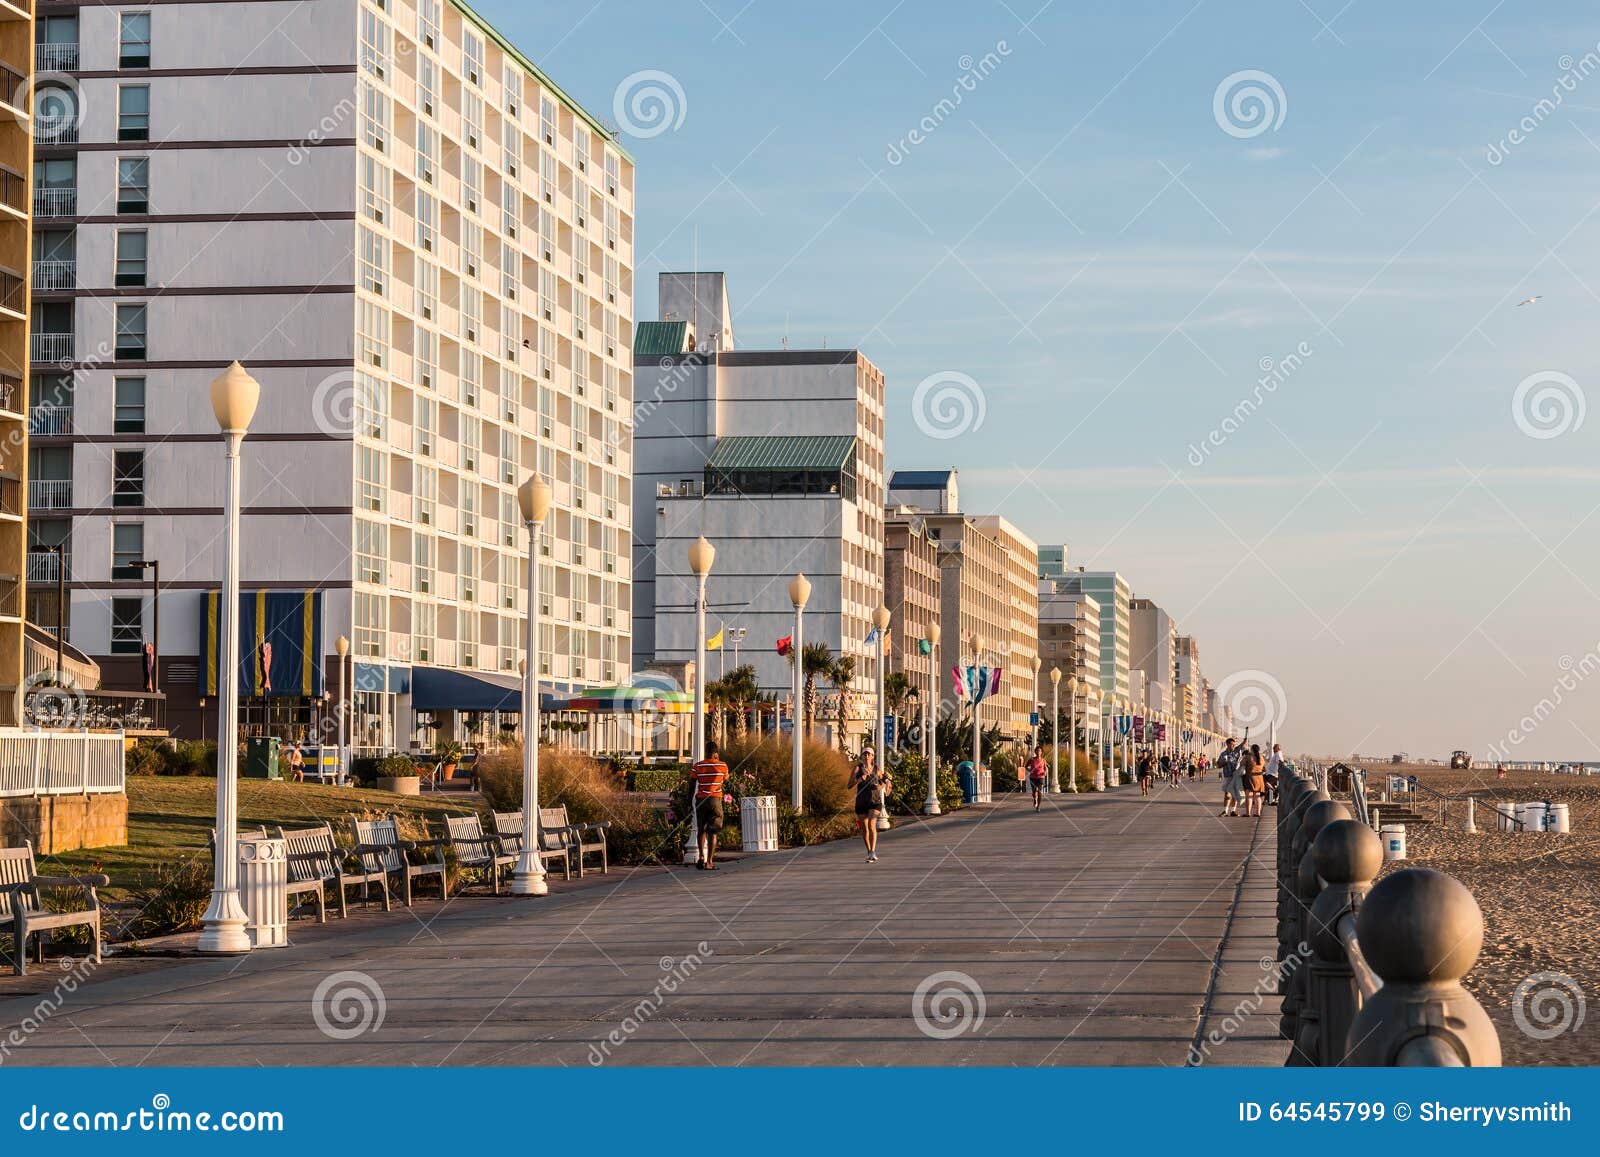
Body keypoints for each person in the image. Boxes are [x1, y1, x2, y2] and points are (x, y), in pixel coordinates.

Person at [689, 740, 729, 870]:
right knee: (713, 831)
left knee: (701, 829)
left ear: (706, 752)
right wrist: (718, 761)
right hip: (715, 800)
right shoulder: (722, 765)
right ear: (716, 753)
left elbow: (692, 785)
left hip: (701, 799)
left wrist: (690, 802)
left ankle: (701, 856)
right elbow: (726, 779)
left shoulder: (697, 766)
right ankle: (709, 862)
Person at [850, 747, 891, 863]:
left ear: (873, 757)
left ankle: (873, 851)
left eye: (869, 754)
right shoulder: (858, 769)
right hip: (861, 801)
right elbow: (849, 785)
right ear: (862, 756)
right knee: (864, 828)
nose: (866, 756)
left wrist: (881, 786)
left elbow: (884, 780)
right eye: (864, 754)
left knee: (872, 825)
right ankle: (869, 852)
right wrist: (858, 779)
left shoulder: (877, 769)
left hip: (875, 801)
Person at [1217, 738, 1241, 816]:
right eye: (1231, 744)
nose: (1233, 746)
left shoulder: (1237, 753)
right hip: (1228, 776)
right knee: (1227, 794)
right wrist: (1222, 762)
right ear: (1227, 744)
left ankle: (1233, 811)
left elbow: (1242, 745)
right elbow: (1218, 765)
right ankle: (1225, 811)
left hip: (1236, 776)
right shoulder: (1223, 754)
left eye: (1234, 744)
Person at [1242, 743, 1266, 817]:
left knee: (1249, 795)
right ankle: (1258, 812)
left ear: (1252, 749)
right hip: (1259, 778)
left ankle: (1248, 813)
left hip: (1250, 778)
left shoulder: (1248, 757)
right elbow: (1264, 769)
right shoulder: (1261, 757)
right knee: (1258, 796)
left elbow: (1241, 764)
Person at [1026, 745, 1048, 811]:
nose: (1038, 752)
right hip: (1033, 777)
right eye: (1037, 751)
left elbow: (1045, 768)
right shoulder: (1031, 759)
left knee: (1039, 791)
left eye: (1040, 751)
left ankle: (1038, 806)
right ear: (1035, 752)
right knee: (1034, 791)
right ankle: (1035, 799)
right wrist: (1030, 770)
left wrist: (1045, 772)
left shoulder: (1043, 760)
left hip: (1040, 777)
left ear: (1041, 752)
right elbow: (1026, 766)